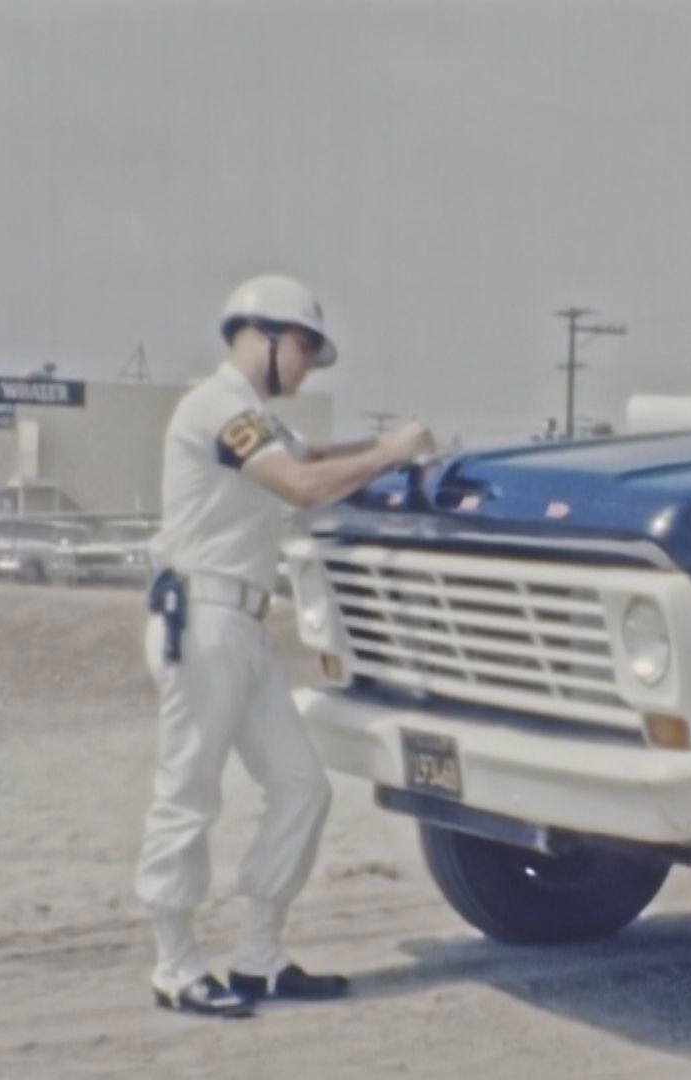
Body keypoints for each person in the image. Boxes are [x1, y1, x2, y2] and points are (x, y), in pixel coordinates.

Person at [137, 274, 437, 1017]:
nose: (306, 367)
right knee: (188, 793)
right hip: (201, 621)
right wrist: (388, 452)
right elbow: (302, 485)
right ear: (263, 336)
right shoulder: (219, 409)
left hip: (238, 626)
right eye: (303, 347)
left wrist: (391, 447)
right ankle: (174, 967)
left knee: (303, 786)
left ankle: (259, 959)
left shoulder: (254, 417)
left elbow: (320, 454)